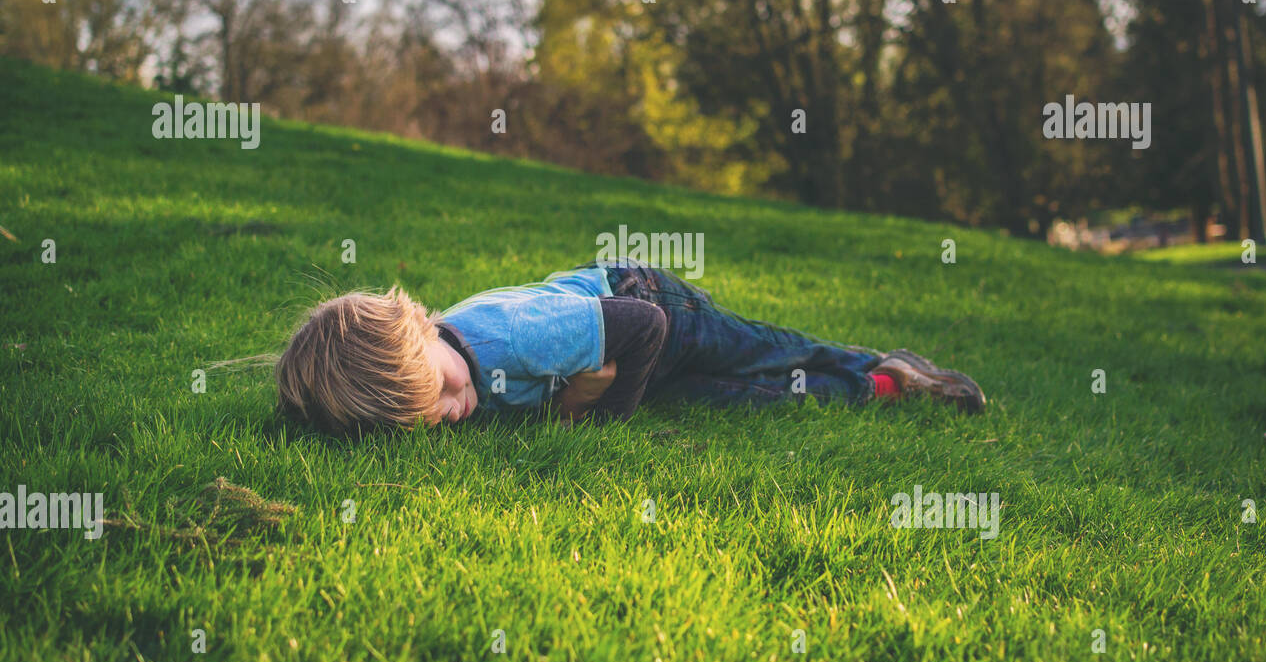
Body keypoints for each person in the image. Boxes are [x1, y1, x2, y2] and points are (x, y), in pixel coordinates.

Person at [275, 258, 985, 437]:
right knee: (747, 402)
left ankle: (856, 358)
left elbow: (641, 331)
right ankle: (882, 386)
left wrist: (602, 414)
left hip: (647, 305)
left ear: (425, 325)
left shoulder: (522, 338)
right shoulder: (420, 375)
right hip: (621, 356)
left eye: (450, 389)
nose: (459, 409)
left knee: (755, 352)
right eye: (435, 416)